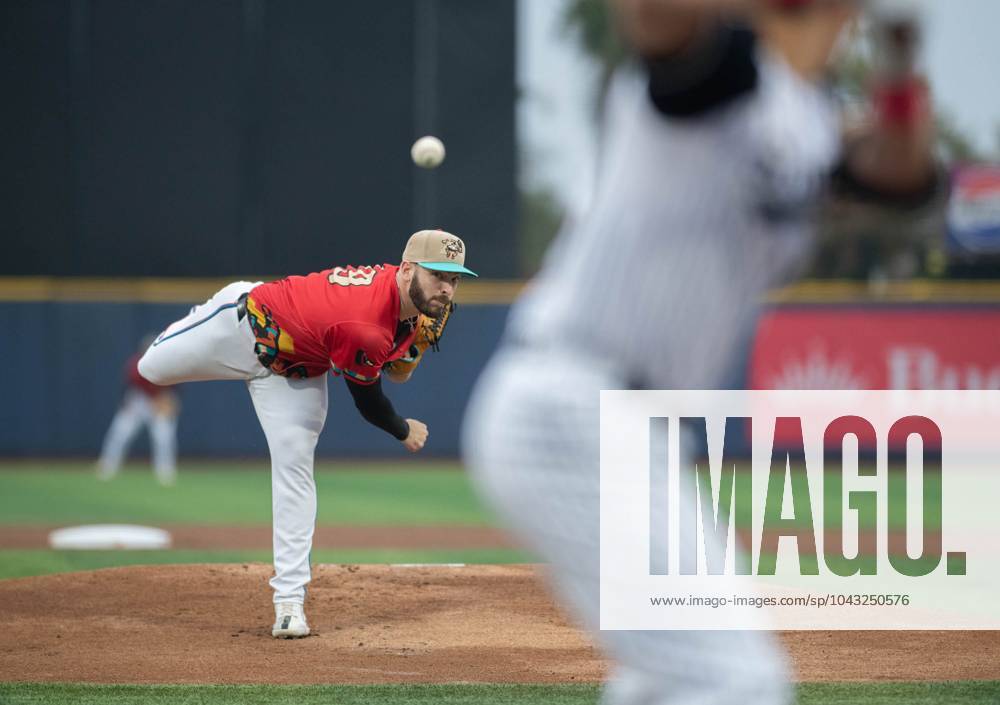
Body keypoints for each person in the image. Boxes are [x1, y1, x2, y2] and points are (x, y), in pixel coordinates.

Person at [463, 1, 937, 703]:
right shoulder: (723, 68)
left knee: (669, 681)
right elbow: (648, 18)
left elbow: (902, 181)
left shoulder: (806, 120)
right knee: (735, 681)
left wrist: (898, 65)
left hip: (632, 424)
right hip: (572, 401)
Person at [138, 229, 476, 638]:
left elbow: (394, 365)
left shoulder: (407, 309)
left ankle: (289, 603)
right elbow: (369, 403)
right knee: (150, 368)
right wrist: (404, 430)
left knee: (295, 472)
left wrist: (403, 349)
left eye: (454, 279)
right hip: (241, 325)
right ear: (406, 270)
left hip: (294, 372)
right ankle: (206, 315)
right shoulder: (365, 324)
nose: (446, 288)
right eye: (436, 274)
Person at [97, 335, 179, 486]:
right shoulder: (136, 364)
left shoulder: (170, 363)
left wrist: (168, 404)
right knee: (121, 431)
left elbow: (175, 390)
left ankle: (165, 472)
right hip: (139, 400)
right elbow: (128, 388)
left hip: (158, 400)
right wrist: (126, 405)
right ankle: (108, 466)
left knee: (163, 435)